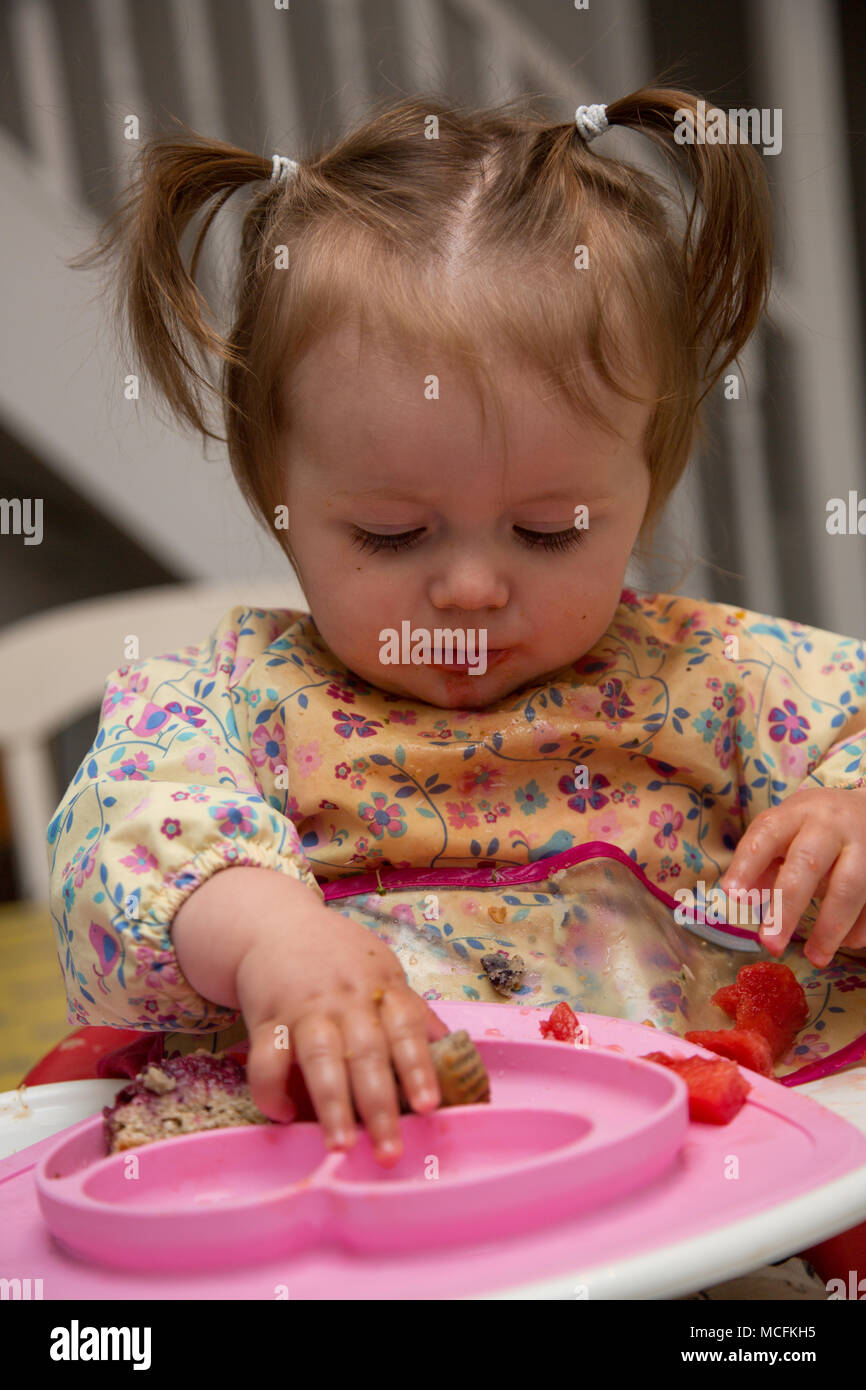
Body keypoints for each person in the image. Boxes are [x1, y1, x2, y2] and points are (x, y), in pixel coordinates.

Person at [50, 88, 866, 1176]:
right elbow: (125, 844)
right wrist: (267, 939)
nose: (472, 589)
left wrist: (849, 819)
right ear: (275, 490)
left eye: (548, 529)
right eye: (391, 535)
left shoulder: (722, 678)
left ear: (646, 481)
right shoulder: (229, 700)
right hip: (364, 1175)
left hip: (701, 1167)